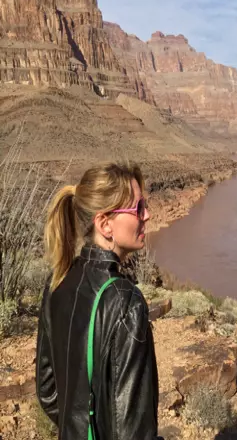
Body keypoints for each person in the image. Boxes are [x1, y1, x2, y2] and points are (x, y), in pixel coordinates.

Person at [36, 162, 163, 439]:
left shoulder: (56, 281)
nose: (148, 215)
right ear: (106, 224)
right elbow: (132, 431)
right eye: (139, 208)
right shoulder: (126, 301)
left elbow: (48, 392)